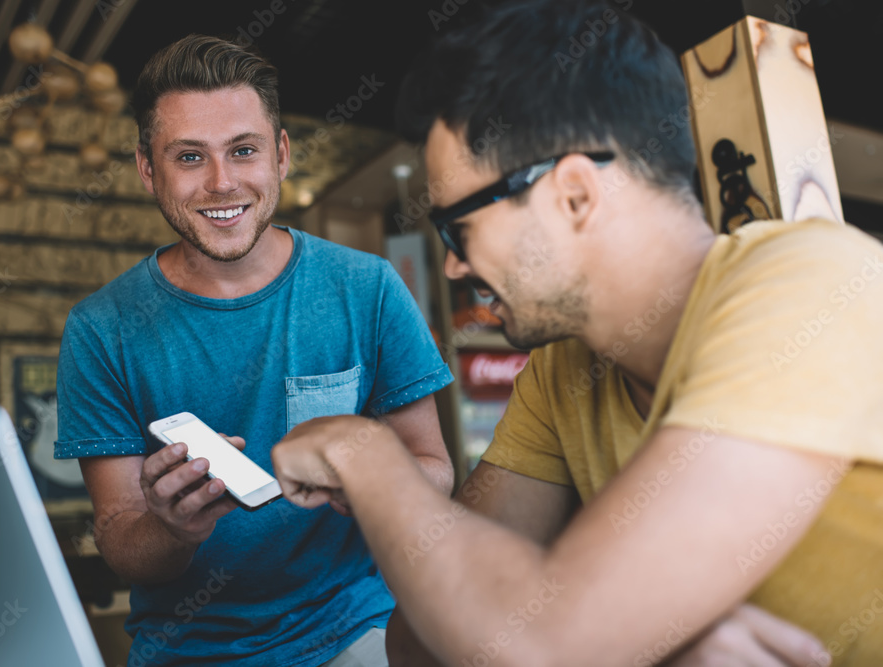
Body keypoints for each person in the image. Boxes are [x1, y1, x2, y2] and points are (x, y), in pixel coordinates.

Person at [269, 2, 883, 665]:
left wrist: (365, 453)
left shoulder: (814, 283)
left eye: (458, 228)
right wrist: (632, 633)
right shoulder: (566, 369)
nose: (452, 263)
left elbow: (540, 640)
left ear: (575, 195)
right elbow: (423, 645)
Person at [54, 34, 455, 667]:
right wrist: (168, 527)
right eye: (190, 157)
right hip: (184, 649)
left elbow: (435, 467)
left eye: (244, 150)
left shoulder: (369, 286)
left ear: (281, 155)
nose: (222, 182)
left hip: (352, 628)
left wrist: (375, 478)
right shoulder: (101, 329)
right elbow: (121, 542)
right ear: (147, 169)